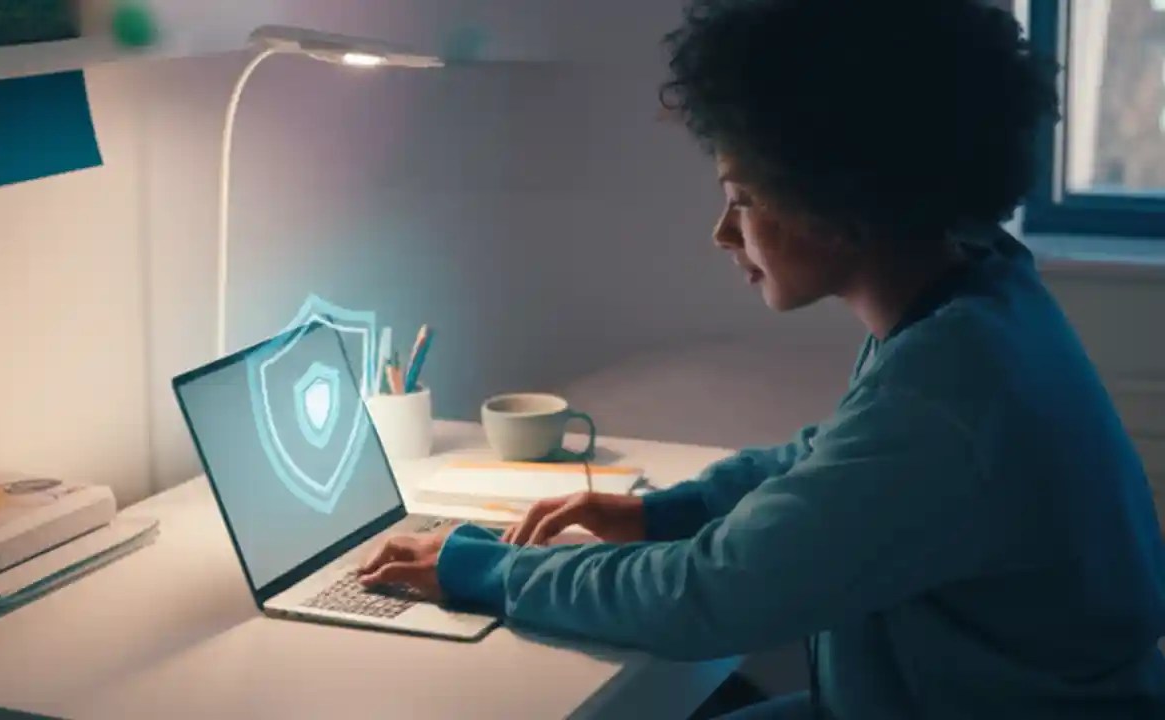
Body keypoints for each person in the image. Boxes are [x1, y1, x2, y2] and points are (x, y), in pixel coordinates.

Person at [358, 0, 1165, 717]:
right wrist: (660, 511)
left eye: (743, 197)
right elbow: (827, 461)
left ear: (844, 196)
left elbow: (706, 596)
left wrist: (485, 570)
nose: (721, 232)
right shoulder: (981, 296)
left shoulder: (948, 394)